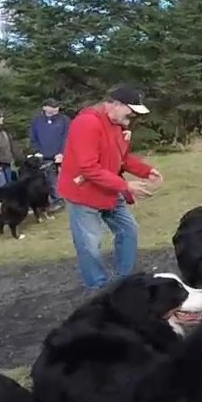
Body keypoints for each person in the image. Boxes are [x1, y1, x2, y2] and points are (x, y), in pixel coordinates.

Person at [57, 85, 162, 291]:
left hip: (110, 191)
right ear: (116, 104)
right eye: (131, 110)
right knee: (90, 245)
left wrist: (147, 171)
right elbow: (88, 167)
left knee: (128, 230)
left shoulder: (117, 124)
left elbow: (122, 158)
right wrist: (125, 185)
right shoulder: (87, 123)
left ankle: (124, 281)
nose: (133, 116)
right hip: (84, 194)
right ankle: (98, 288)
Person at [29, 97, 71, 209]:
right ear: (45, 108)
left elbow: (67, 137)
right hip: (44, 156)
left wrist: (61, 153)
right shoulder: (37, 121)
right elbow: (33, 138)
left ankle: (61, 199)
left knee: (63, 177)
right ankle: (53, 200)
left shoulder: (64, 120)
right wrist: (37, 152)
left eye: (56, 106)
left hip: (61, 155)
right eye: (52, 106)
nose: (55, 108)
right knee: (48, 179)